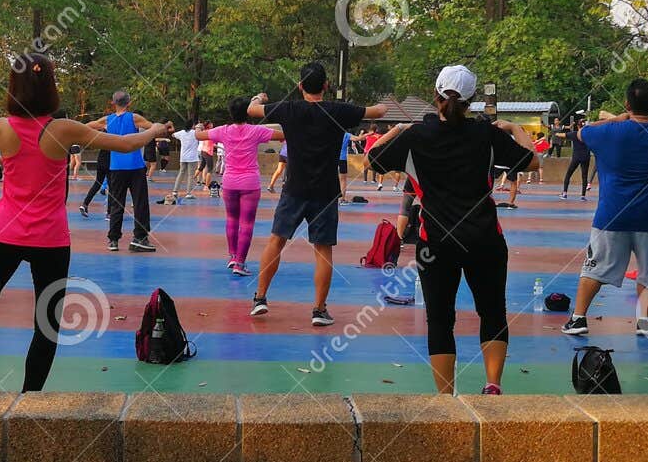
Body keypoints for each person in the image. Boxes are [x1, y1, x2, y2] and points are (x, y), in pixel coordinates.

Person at [0, 55, 169, 391]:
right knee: (46, 322)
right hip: (51, 240)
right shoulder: (63, 129)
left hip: (6, 233)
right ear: (50, 87)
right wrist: (156, 129)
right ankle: (30, 394)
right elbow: (127, 144)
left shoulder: (0, 128)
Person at [368, 65, 539, 395]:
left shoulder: (415, 137)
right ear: (471, 101)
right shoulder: (487, 136)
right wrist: (515, 128)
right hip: (486, 240)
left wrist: (398, 129)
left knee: (440, 320)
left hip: (436, 243)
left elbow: (372, 160)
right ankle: (492, 385)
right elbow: (533, 162)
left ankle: (447, 397)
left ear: (436, 96)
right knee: (492, 311)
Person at [246, 62, 387, 326]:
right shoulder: (339, 111)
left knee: (276, 241)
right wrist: (384, 106)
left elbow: (252, 110)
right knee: (323, 250)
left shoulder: (289, 109)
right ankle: (319, 310)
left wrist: (258, 98)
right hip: (325, 191)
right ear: (326, 85)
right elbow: (378, 111)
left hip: (294, 188)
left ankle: (260, 298)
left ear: (300, 86)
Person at [560, 79, 648, 337]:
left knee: (594, 268)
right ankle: (645, 321)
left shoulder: (606, 133)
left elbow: (585, 130)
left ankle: (578, 318)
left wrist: (619, 118)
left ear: (628, 104)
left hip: (612, 215)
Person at [211, 97, 283, 275]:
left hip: (229, 182)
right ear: (249, 111)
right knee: (247, 224)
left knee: (231, 220)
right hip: (250, 183)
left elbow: (199, 135)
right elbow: (283, 135)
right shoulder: (257, 130)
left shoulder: (223, 131)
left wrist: (196, 128)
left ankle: (233, 256)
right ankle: (240, 264)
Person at [89, 90, 158, 253]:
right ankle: (140, 238)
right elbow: (153, 128)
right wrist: (165, 127)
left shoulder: (107, 120)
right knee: (140, 203)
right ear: (129, 103)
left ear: (113, 103)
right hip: (135, 167)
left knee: (116, 204)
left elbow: (86, 127)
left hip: (116, 168)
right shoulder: (134, 118)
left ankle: (113, 240)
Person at [561, 115, 592, 199]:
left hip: (576, 157)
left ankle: (564, 193)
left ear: (578, 126)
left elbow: (562, 135)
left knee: (569, 174)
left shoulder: (574, 134)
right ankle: (583, 195)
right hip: (586, 157)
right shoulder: (589, 135)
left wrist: (555, 132)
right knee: (584, 176)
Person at [170, 123, 201, 202]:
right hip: (192, 158)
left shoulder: (181, 132)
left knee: (181, 173)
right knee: (190, 175)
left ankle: (175, 191)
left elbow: (173, 135)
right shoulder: (195, 133)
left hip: (183, 157)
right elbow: (202, 136)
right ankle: (188, 193)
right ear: (192, 126)